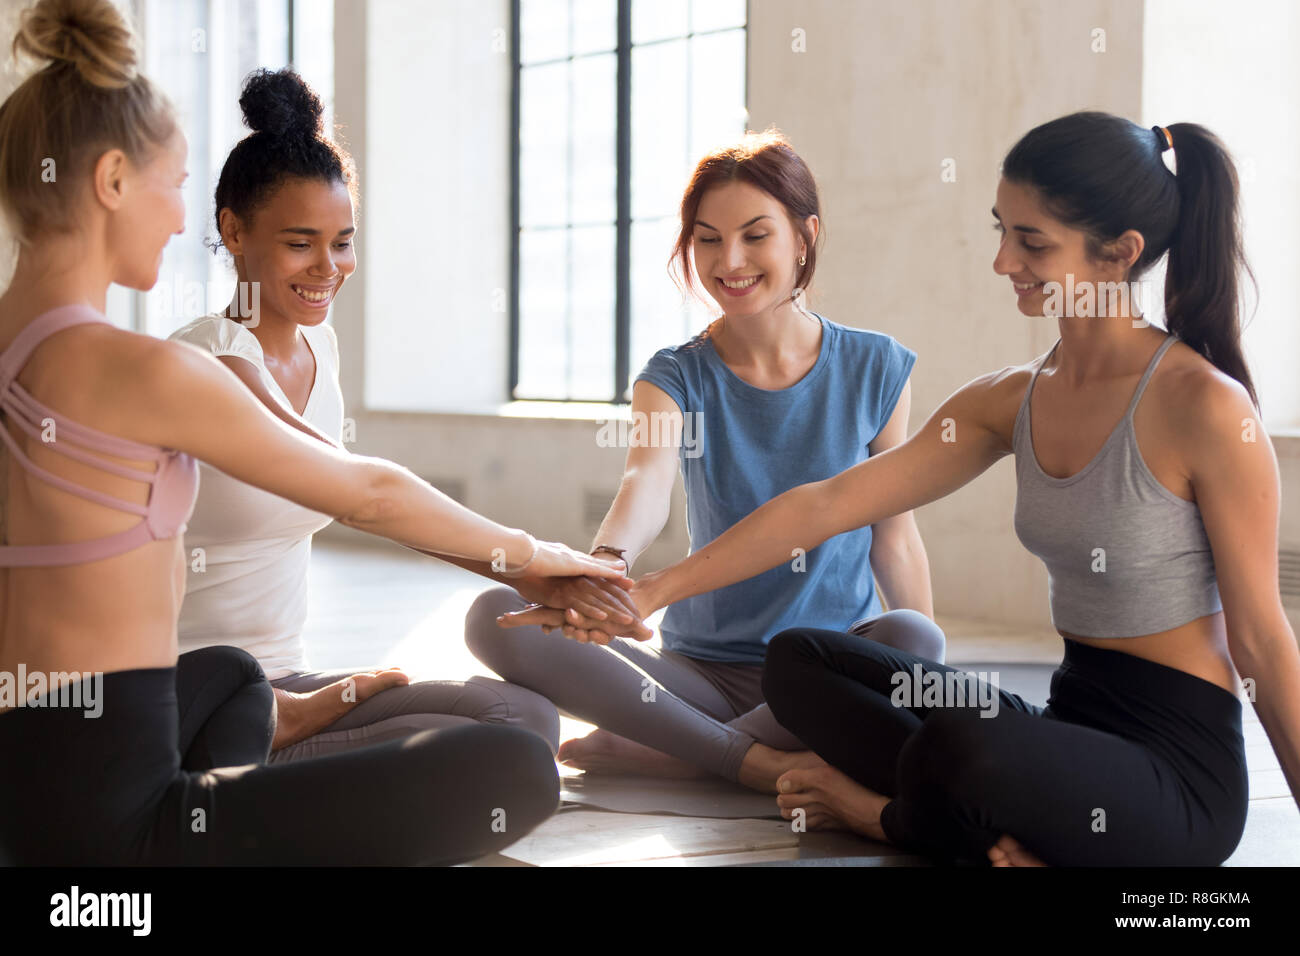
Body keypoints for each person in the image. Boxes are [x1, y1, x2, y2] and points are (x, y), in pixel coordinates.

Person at [508, 112, 1300, 867]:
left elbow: (1263, 641)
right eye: (1001, 230)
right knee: (804, 660)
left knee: (968, 748)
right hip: (1069, 724)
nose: (1002, 262)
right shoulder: (1011, 399)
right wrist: (648, 593)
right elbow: (824, 506)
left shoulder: (1203, 407)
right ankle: (1004, 820)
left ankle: (880, 813)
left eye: (1031, 241)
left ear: (1119, 253)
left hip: (1176, 774)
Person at [0, 0, 627, 865]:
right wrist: (535, 555)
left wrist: (294, 706)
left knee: (233, 680)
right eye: (176, 185)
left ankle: (264, 740)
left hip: (36, 771)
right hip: (119, 833)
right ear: (112, 180)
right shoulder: (146, 369)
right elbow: (366, 492)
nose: (181, 219)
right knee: (517, 764)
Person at [468, 129, 943, 794]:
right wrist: (608, 563)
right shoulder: (675, 375)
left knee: (915, 639)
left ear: (803, 237)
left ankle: (683, 752)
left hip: (822, 671)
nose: (730, 259)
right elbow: (647, 479)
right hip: (700, 677)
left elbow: (896, 537)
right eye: (708, 237)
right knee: (495, 616)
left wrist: (935, 696)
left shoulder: (876, 368)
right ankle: (736, 748)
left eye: (755, 235)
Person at [170, 67, 561, 762]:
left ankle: (280, 771)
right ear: (233, 230)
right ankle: (240, 771)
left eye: (341, 241)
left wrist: (520, 572)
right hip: (194, 697)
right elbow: (365, 498)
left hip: (287, 679)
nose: (329, 267)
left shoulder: (320, 342)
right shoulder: (209, 361)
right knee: (493, 754)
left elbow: (375, 503)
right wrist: (529, 559)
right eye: (300, 243)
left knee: (520, 719)